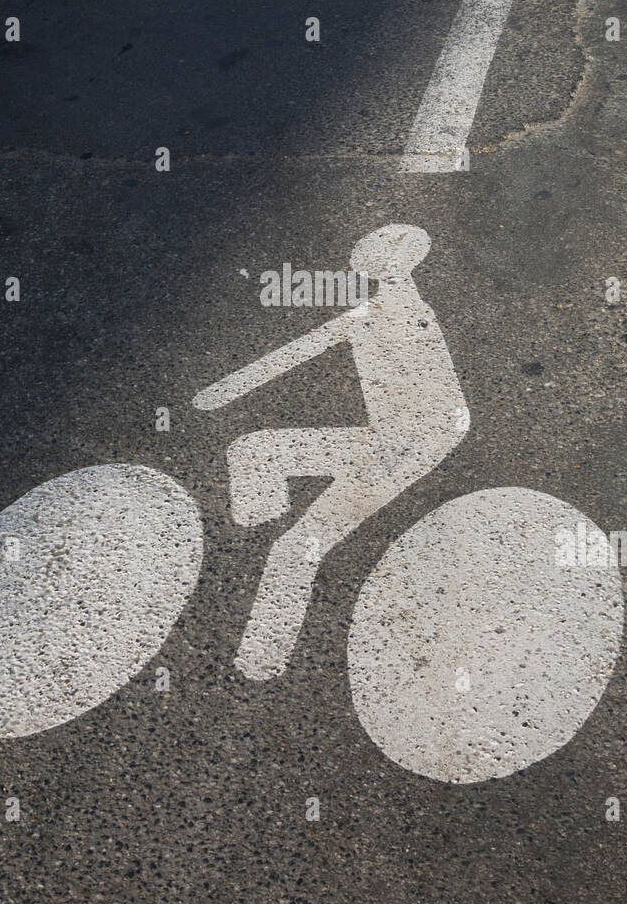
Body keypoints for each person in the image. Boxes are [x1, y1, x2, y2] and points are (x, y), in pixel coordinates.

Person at [193, 224, 469, 679]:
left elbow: (296, 353)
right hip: (389, 436)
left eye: (395, 269)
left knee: (297, 547)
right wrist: (220, 392)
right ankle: (255, 526)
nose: (390, 276)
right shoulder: (370, 315)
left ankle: (262, 656)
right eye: (386, 270)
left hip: (412, 442)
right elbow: (294, 353)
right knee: (253, 450)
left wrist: (221, 392)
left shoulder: (403, 316)